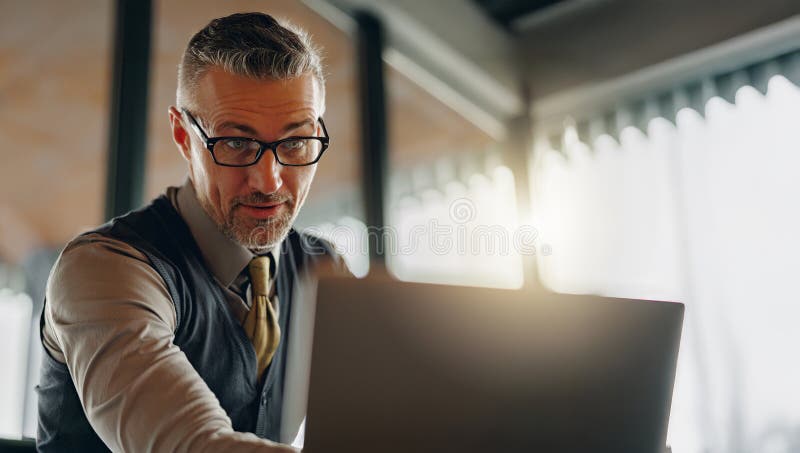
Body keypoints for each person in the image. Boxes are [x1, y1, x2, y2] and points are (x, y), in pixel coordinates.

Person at [36, 12, 341, 452]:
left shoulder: (324, 272)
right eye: (236, 143)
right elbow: (194, 446)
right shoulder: (102, 270)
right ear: (183, 135)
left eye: (294, 142)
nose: (269, 180)